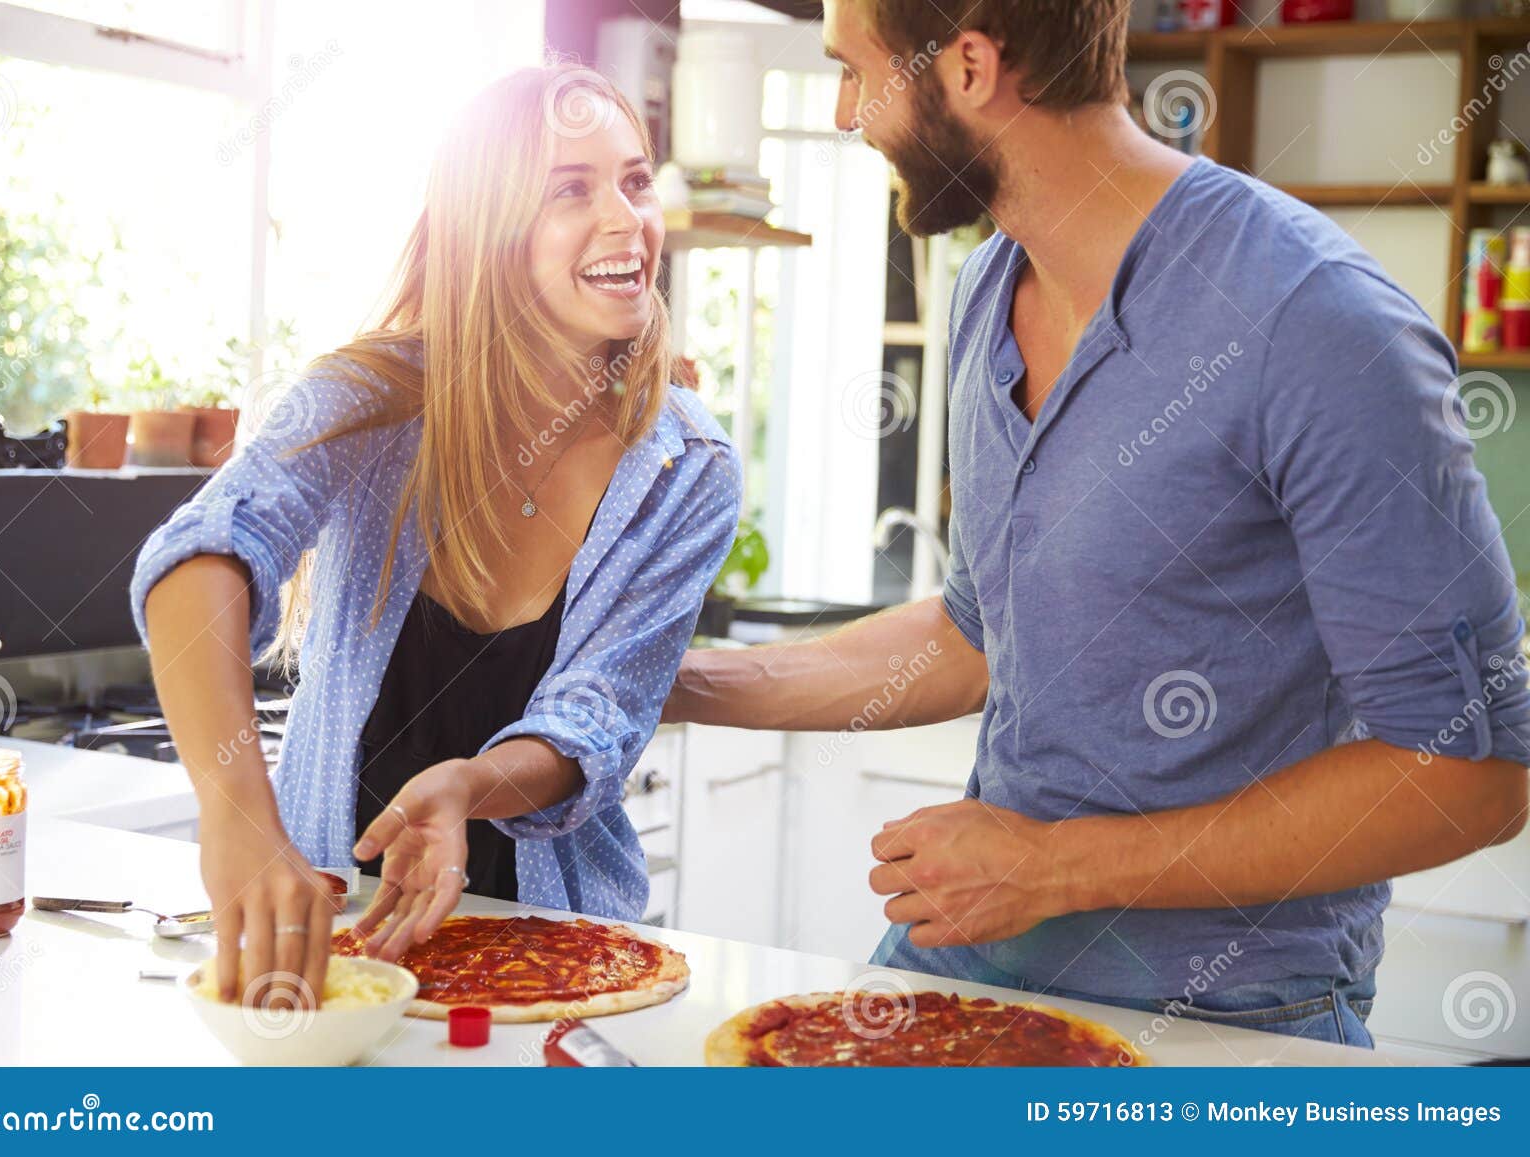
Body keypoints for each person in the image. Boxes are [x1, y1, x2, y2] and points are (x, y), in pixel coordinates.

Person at [663, 0, 1530, 1047]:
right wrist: (672, 684)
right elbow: (970, 635)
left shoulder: (1318, 323)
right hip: (968, 958)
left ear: (971, 68)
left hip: (1226, 1006)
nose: (848, 114)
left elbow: (1469, 779)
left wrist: (1051, 866)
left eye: (855, 72)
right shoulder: (989, 283)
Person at [132, 64, 740, 1006]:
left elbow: (593, 720)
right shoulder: (370, 402)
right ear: (488, 231)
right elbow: (204, 552)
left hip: (561, 957)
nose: (628, 220)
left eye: (633, 179)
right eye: (570, 191)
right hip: (334, 944)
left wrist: (465, 784)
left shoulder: (686, 467)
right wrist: (239, 819)